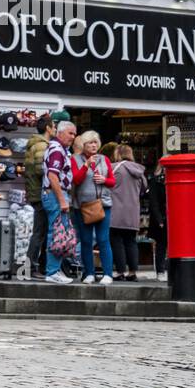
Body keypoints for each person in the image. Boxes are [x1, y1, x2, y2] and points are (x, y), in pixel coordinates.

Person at [72, 131, 117, 285]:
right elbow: (76, 180)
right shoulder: (75, 159)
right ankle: (89, 273)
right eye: (90, 143)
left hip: (103, 205)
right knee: (85, 241)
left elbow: (112, 182)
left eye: (95, 142)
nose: (93, 145)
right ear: (83, 145)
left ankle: (108, 274)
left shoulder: (104, 159)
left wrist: (104, 179)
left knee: (103, 239)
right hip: (82, 206)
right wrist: (85, 166)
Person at [42, 121, 77, 284]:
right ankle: (52, 272)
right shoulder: (57, 150)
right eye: (70, 133)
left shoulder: (59, 149)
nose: (73, 137)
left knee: (57, 233)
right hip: (56, 195)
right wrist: (63, 200)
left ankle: (54, 270)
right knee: (56, 233)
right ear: (60, 133)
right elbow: (52, 176)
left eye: (74, 134)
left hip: (54, 195)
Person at [24, 114, 57, 278]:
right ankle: (31, 267)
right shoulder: (42, 146)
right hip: (41, 192)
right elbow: (41, 169)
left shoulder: (37, 145)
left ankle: (39, 266)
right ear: (48, 129)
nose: (56, 129)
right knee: (40, 232)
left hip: (36, 192)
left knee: (41, 231)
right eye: (54, 126)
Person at [109, 144, 147, 282]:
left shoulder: (115, 168)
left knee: (116, 240)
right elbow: (144, 189)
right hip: (133, 211)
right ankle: (132, 272)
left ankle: (120, 271)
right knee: (131, 241)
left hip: (116, 210)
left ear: (118, 153)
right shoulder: (138, 170)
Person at [147, 157, 168, 282]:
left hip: (175, 217)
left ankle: (173, 268)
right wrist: (159, 219)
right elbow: (153, 202)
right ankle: (160, 270)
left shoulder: (176, 177)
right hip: (161, 217)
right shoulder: (156, 181)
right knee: (161, 245)